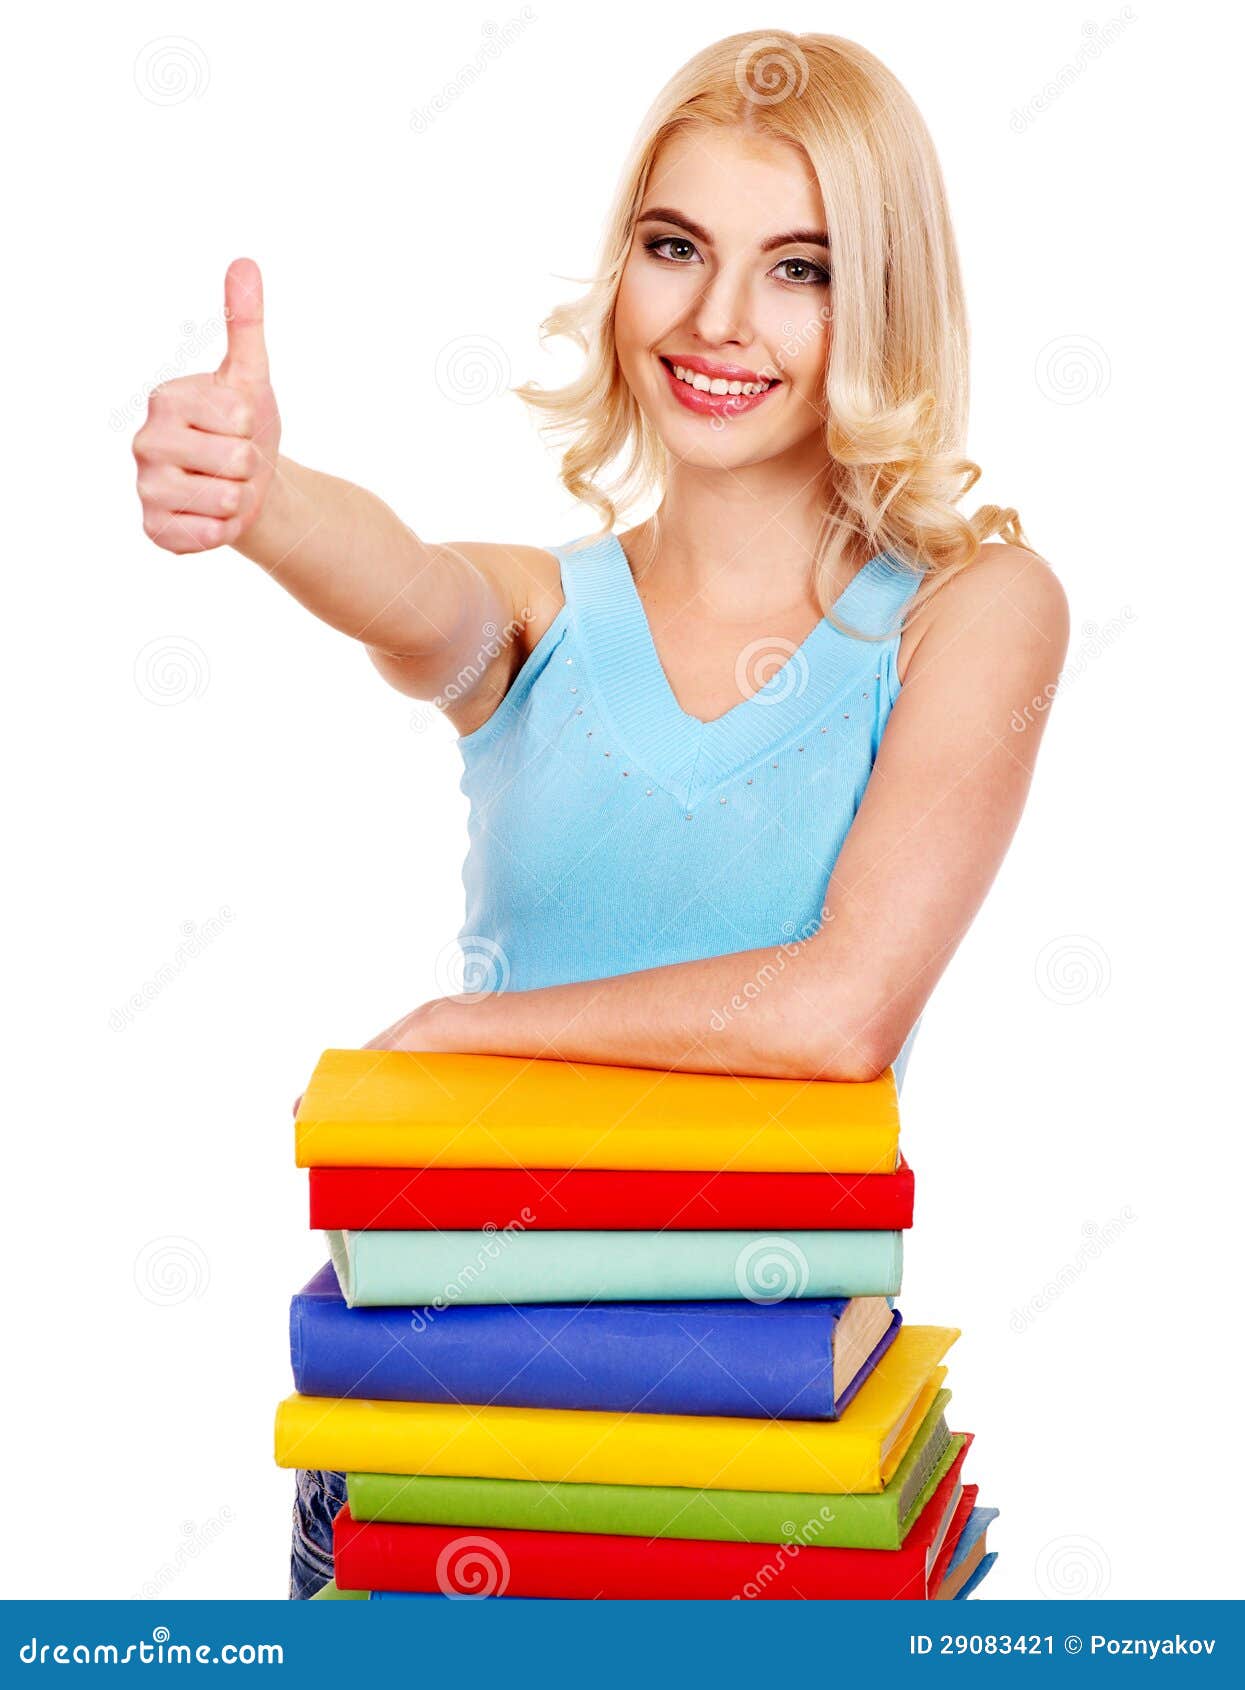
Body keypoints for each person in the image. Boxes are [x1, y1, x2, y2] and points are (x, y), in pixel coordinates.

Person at [132, 30, 1069, 1599]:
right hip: (432, 1448)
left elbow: (841, 1009)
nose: (715, 321)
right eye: (674, 247)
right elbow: (414, 585)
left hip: (777, 1459)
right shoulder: (538, 613)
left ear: (882, 301)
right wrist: (265, 501)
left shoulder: (970, 613)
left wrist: (453, 1035)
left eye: (800, 268)